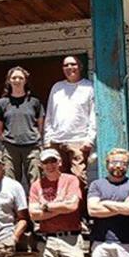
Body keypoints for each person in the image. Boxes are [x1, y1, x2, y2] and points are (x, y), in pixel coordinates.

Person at [44, 56, 96, 186]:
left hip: (78, 140)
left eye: (73, 64)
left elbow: (93, 115)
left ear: (80, 67)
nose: (69, 67)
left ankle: (80, 200)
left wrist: (90, 139)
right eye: (66, 65)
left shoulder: (89, 87)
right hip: (56, 140)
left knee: (78, 177)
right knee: (58, 178)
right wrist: (48, 138)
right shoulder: (57, 87)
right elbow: (50, 113)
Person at [0, 66, 45, 188]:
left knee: (36, 180)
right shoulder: (2, 103)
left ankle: (34, 201)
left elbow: (40, 125)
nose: (17, 80)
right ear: (9, 80)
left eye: (20, 78)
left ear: (25, 81)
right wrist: (6, 139)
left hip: (32, 146)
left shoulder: (34, 102)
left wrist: (36, 137)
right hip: (10, 147)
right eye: (14, 78)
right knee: (10, 182)